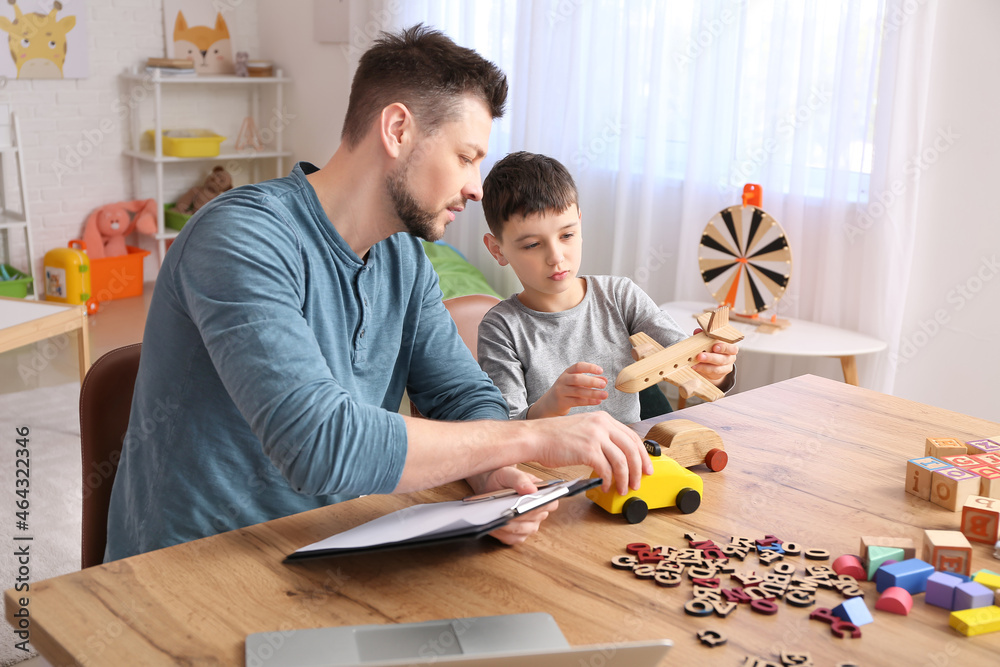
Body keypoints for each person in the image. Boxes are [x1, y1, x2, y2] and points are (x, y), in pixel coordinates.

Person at [104, 26, 653, 562]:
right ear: (397, 130)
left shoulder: (403, 259)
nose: (476, 186)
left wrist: (492, 473)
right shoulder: (240, 237)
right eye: (466, 157)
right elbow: (318, 444)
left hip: (334, 550)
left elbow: (463, 399)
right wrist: (532, 441)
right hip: (189, 575)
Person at [478, 151, 738, 424]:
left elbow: (686, 357)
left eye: (567, 235)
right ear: (497, 250)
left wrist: (716, 369)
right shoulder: (500, 328)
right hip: (552, 464)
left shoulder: (620, 296)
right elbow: (506, 431)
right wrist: (550, 405)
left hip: (630, 458)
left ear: (580, 222)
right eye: (532, 244)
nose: (556, 257)